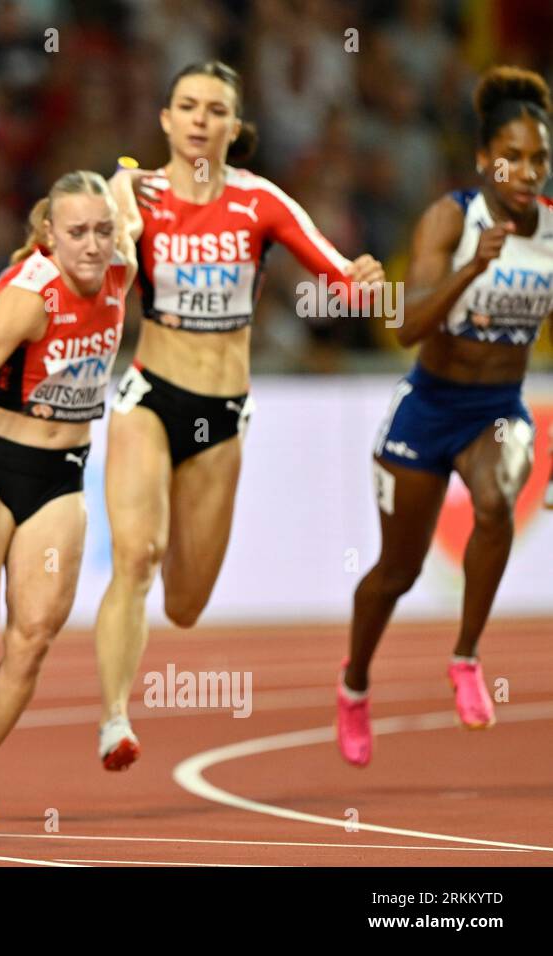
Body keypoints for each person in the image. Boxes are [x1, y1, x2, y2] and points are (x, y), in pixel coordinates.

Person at [97, 61, 385, 770]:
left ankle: (150, 612)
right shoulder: (139, 193)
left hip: (222, 413)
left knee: (187, 603)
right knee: (136, 556)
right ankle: (114, 720)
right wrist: (113, 213)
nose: (200, 119)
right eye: (187, 106)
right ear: (165, 119)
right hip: (150, 396)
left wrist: (367, 285)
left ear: (234, 125)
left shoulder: (261, 202)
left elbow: (342, 280)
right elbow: (97, 273)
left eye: (215, 109)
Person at [338, 67, 552, 765]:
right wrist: (471, 269)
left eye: (538, 159)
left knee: (496, 500)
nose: (525, 172)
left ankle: (465, 657)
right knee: (394, 574)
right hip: (428, 406)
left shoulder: (550, 232)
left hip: (496, 409)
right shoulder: (450, 218)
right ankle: (355, 684)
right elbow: (405, 327)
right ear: (485, 159)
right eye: (512, 157)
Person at [0, 169, 135, 824]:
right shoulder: (29, 297)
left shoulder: (122, 264)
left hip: (62, 477)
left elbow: (153, 200)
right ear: (49, 236)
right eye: (77, 234)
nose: (93, 246)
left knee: (34, 637)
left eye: (102, 231)